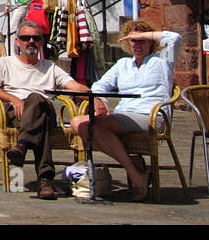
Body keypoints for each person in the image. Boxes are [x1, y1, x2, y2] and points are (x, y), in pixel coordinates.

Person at [69, 21, 180, 201]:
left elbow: (174, 38)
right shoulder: (123, 64)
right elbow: (99, 85)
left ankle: (135, 176)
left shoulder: (162, 60)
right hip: (124, 115)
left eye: (141, 40)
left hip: (151, 116)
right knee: (78, 123)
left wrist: (147, 34)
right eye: (133, 41)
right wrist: (99, 100)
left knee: (92, 126)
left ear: (150, 41)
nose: (136, 44)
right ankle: (134, 167)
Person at [0, 21, 91, 199]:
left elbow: (74, 86)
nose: (30, 41)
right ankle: (45, 180)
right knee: (40, 122)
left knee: (37, 100)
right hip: (16, 113)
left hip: (42, 110)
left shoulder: (50, 67)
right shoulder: (5, 63)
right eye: (26, 38)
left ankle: (22, 146)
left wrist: (96, 99)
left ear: (41, 42)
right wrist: (13, 98)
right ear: (17, 41)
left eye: (36, 38)